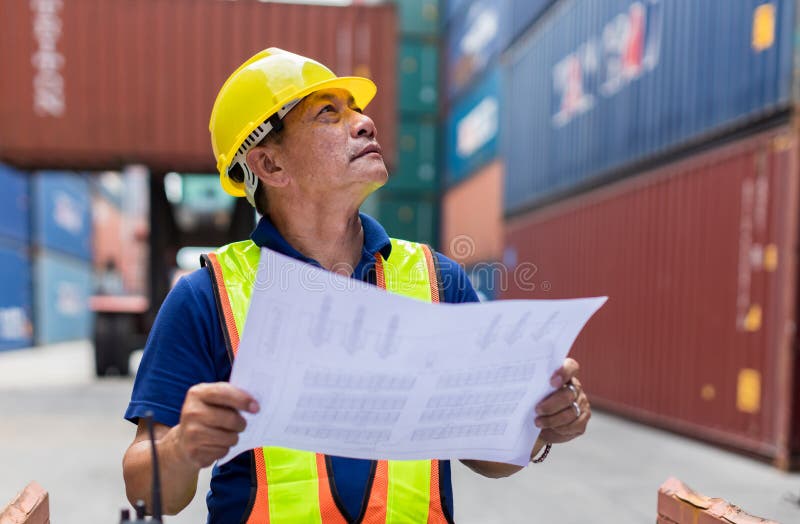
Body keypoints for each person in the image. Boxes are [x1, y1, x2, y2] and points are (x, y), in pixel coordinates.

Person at [122, 48, 592, 523]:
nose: (364, 123)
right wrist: (182, 445)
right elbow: (146, 487)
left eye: (357, 110)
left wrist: (538, 425)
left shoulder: (437, 280)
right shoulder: (206, 297)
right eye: (329, 113)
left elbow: (485, 453)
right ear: (269, 164)